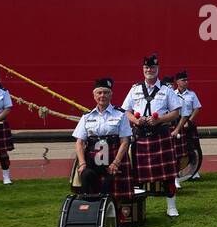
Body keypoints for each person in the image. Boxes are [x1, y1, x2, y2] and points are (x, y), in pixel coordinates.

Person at [124, 54, 182, 218]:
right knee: (136, 175)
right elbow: (126, 111)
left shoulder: (166, 89)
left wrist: (160, 120)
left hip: (160, 134)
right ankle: (138, 208)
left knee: (168, 174)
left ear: (158, 69)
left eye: (153, 68)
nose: (149, 70)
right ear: (143, 69)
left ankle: (171, 206)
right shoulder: (135, 89)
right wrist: (136, 120)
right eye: (147, 68)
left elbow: (176, 112)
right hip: (140, 135)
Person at [72, 78, 134, 214]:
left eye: (106, 92)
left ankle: (113, 214)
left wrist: (116, 163)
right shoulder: (86, 117)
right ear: (94, 96)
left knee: (109, 183)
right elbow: (79, 142)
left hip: (114, 159)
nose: (102, 96)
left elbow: (125, 141)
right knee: (87, 176)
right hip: (92, 160)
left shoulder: (121, 114)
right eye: (99, 93)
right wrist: (82, 164)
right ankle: (89, 213)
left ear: (111, 95)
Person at [171, 70, 203, 188]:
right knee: (180, 150)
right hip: (177, 123)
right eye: (183, 80)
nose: (186, 82)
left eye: (186, 80)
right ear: (177, 82)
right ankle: (178, 174)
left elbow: (197, 108)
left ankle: (194, 171)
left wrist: (189, 121)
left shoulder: (192, 94)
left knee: (194, 147)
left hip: (189, 124)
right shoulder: (172, 94)